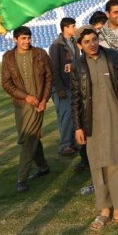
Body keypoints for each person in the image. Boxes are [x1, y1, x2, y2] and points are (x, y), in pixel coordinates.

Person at [72, 27, 118, 230]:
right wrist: (77, 127)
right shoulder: (78, 65)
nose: (92, 44)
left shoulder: (113, 56)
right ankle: (104, 209)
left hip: (116, 117)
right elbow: (76, 97)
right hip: (92, 122)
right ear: (80, 45)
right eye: (87, 42)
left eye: (94, 39)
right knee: (98, 163)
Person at [1, 26, 53, 193]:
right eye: (23, 38)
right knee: (29, 137)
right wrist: (25, 97)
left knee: (28, 139)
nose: (27, 41)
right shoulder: (8, 57)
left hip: (38, 104)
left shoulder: (40, 54)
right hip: (21, 105)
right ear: (15, 40)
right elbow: (6, 83)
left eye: (29, 38)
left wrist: (44, 99)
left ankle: (21, 179)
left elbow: (49, 78)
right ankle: (43, 167)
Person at [49, 18, 79, 157]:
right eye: (73, 26)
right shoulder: (57, 45)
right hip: (62, 87)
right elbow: (54, 68)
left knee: (73, 115)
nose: (75, 28)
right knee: (66, 115)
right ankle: (65, 145)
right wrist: (59, 88)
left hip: (72, 85)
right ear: (65, 28)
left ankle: (71, 143)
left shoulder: (73, 43)